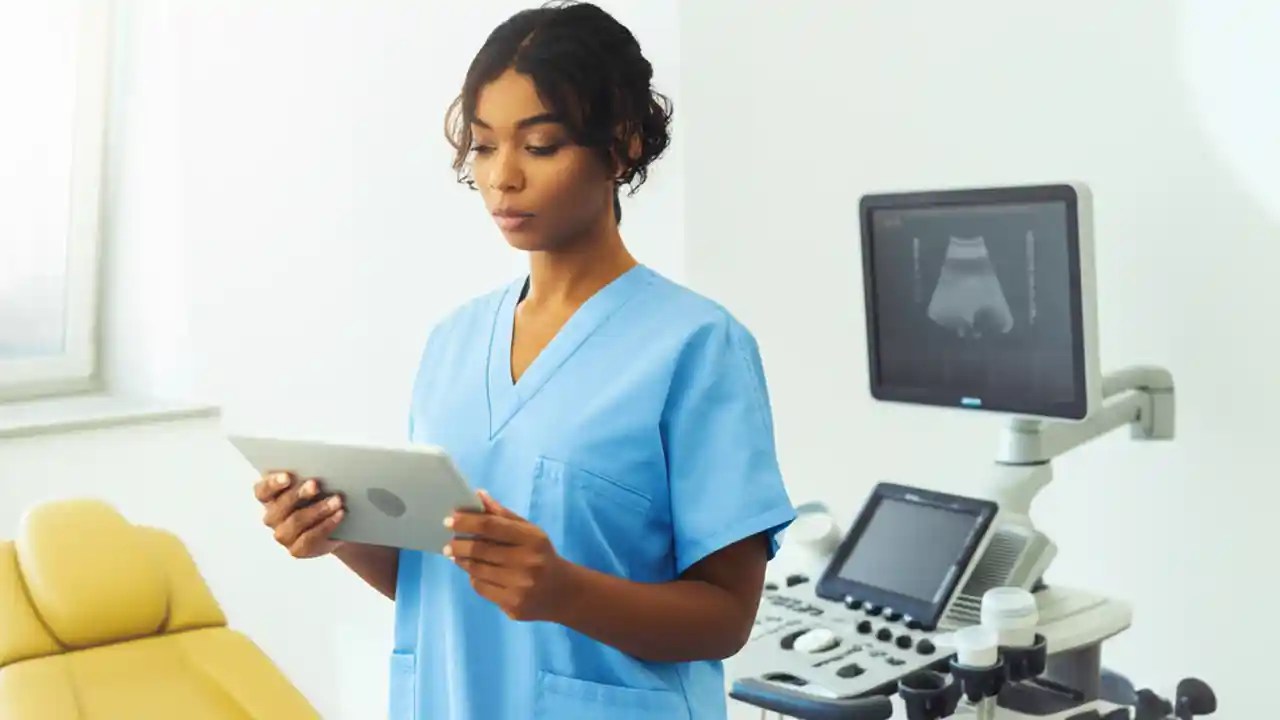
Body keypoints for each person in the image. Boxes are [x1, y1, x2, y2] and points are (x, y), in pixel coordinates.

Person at [252, 2, 796, 718]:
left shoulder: (697, 348)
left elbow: (726, 618)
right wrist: (336, 532)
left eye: (539, 146)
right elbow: (442, 581)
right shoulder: (453, 342)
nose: (502, 178)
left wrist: (564, 591)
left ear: (623, 145)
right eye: (482, 146)